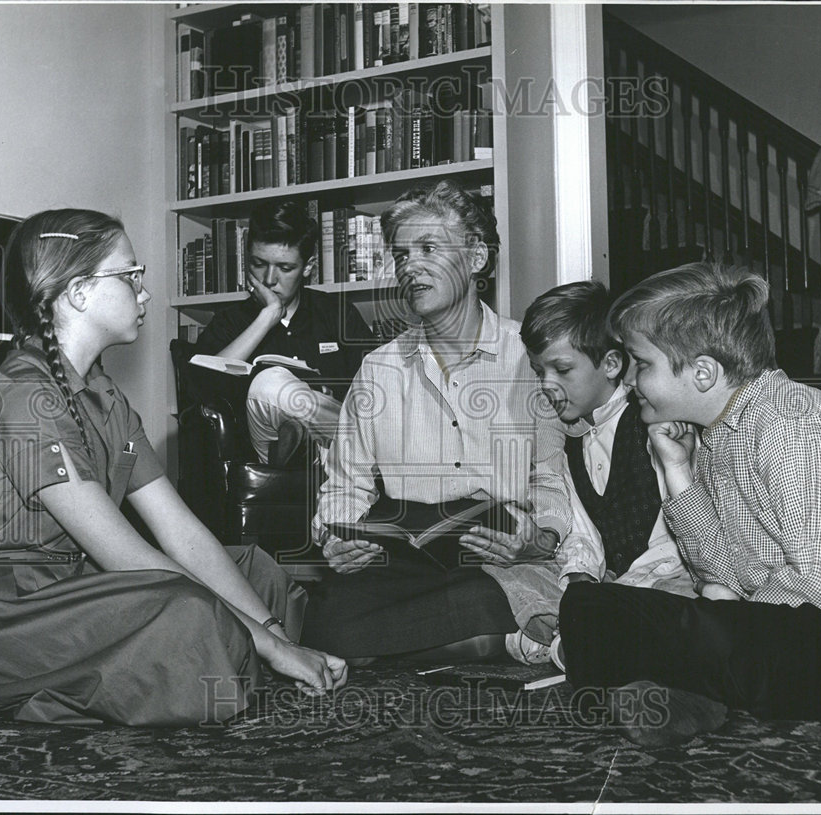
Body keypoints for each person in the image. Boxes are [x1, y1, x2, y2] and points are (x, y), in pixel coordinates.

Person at [0, 209, 347, 727]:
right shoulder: (19, 396)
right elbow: (125, 555)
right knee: (187, 611)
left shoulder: (106, 397)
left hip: (69, 583)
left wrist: (274, 635)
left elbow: (182, 532)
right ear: (79, 292)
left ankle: (224, 662)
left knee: (255, 571)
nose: (144, 292)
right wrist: (273, 648)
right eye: (130, 275)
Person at [559, 262, 821, 747]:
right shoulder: (718, 436)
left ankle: (682, 686)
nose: (628, 382)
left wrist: (730, 606)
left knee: (692, 628)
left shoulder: (793, 427)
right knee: (590, 604)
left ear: (703, 373)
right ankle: (688, 689)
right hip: (808, 618)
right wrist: (678, 471)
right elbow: (718, 572)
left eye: (641, 364)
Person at [300, 180, 572, 663]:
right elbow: (345, 485)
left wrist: (539, 540)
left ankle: (449, 639)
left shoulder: (527, 357)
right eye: (401, 255)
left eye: (428, 248)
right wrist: (337, 538)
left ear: (477, 258)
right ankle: (488, 642)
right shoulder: (378, 369)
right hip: (408, 559)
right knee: (326, 620)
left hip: (497, 554)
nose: (410, 267)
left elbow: (550, 477)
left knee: (484, 595)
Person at [519, 281, 693, 667]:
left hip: (669, 576)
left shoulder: (653, 423)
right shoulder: (568, 437)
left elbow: (675, 543)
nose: (547, 385)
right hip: (613, 585)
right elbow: (582, 531)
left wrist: (615, 593)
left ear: (611, 364)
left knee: (671, 611)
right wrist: (580, 579)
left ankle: (581, 644)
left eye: (562, 370)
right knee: (519, 592)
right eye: (539, 371)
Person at [194, 200, 377, 465]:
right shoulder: (229, 322)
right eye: (259, 264)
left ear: (308, 267)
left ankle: (314, 448)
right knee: (268, 385)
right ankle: (320, 449)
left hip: (335, 438)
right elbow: (203, 391)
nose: (269, 279)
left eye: (285, 268)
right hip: (265, 450)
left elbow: (375, 385)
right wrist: (267, 317)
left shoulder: (336, 312)